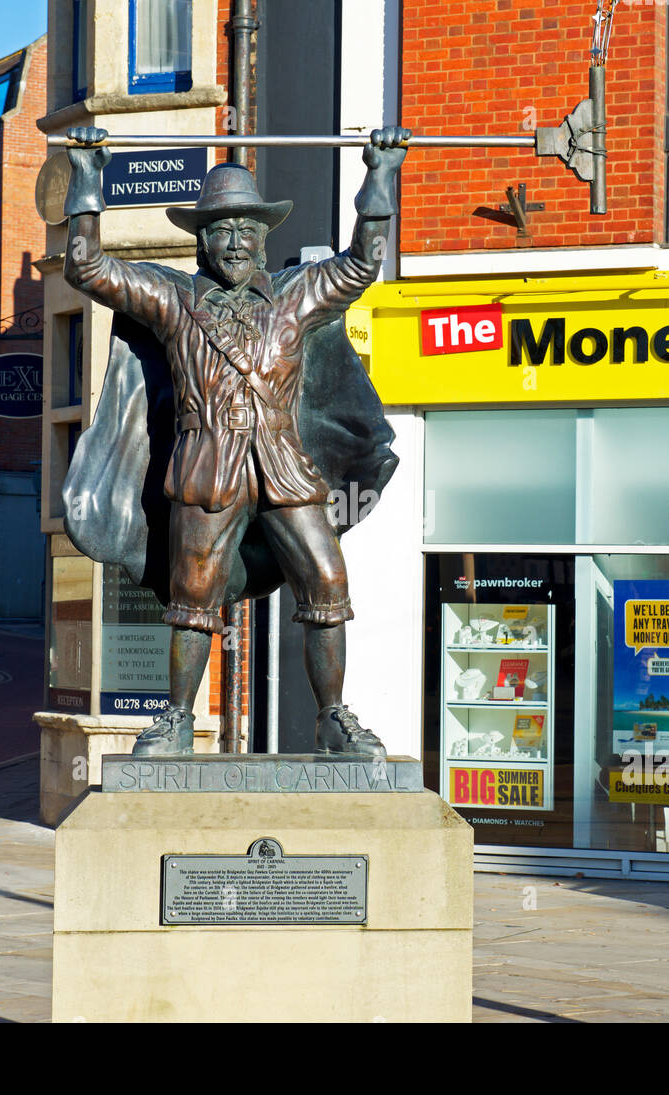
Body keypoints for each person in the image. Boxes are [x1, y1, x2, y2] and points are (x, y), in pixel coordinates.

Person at [61, 125, 410, 758]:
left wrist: (380, 174)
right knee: (192, 599)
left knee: (328, 581)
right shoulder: (171, 297)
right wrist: (89, 177)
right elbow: (86, 267)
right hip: (206, 467)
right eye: (220, 229)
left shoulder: (298, 294)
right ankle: (174, 723)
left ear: (264, 237)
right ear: (200, 240)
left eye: (247, 229)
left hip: (283, 465)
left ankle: (332, 717)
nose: (235, 242)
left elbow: (363, 262)